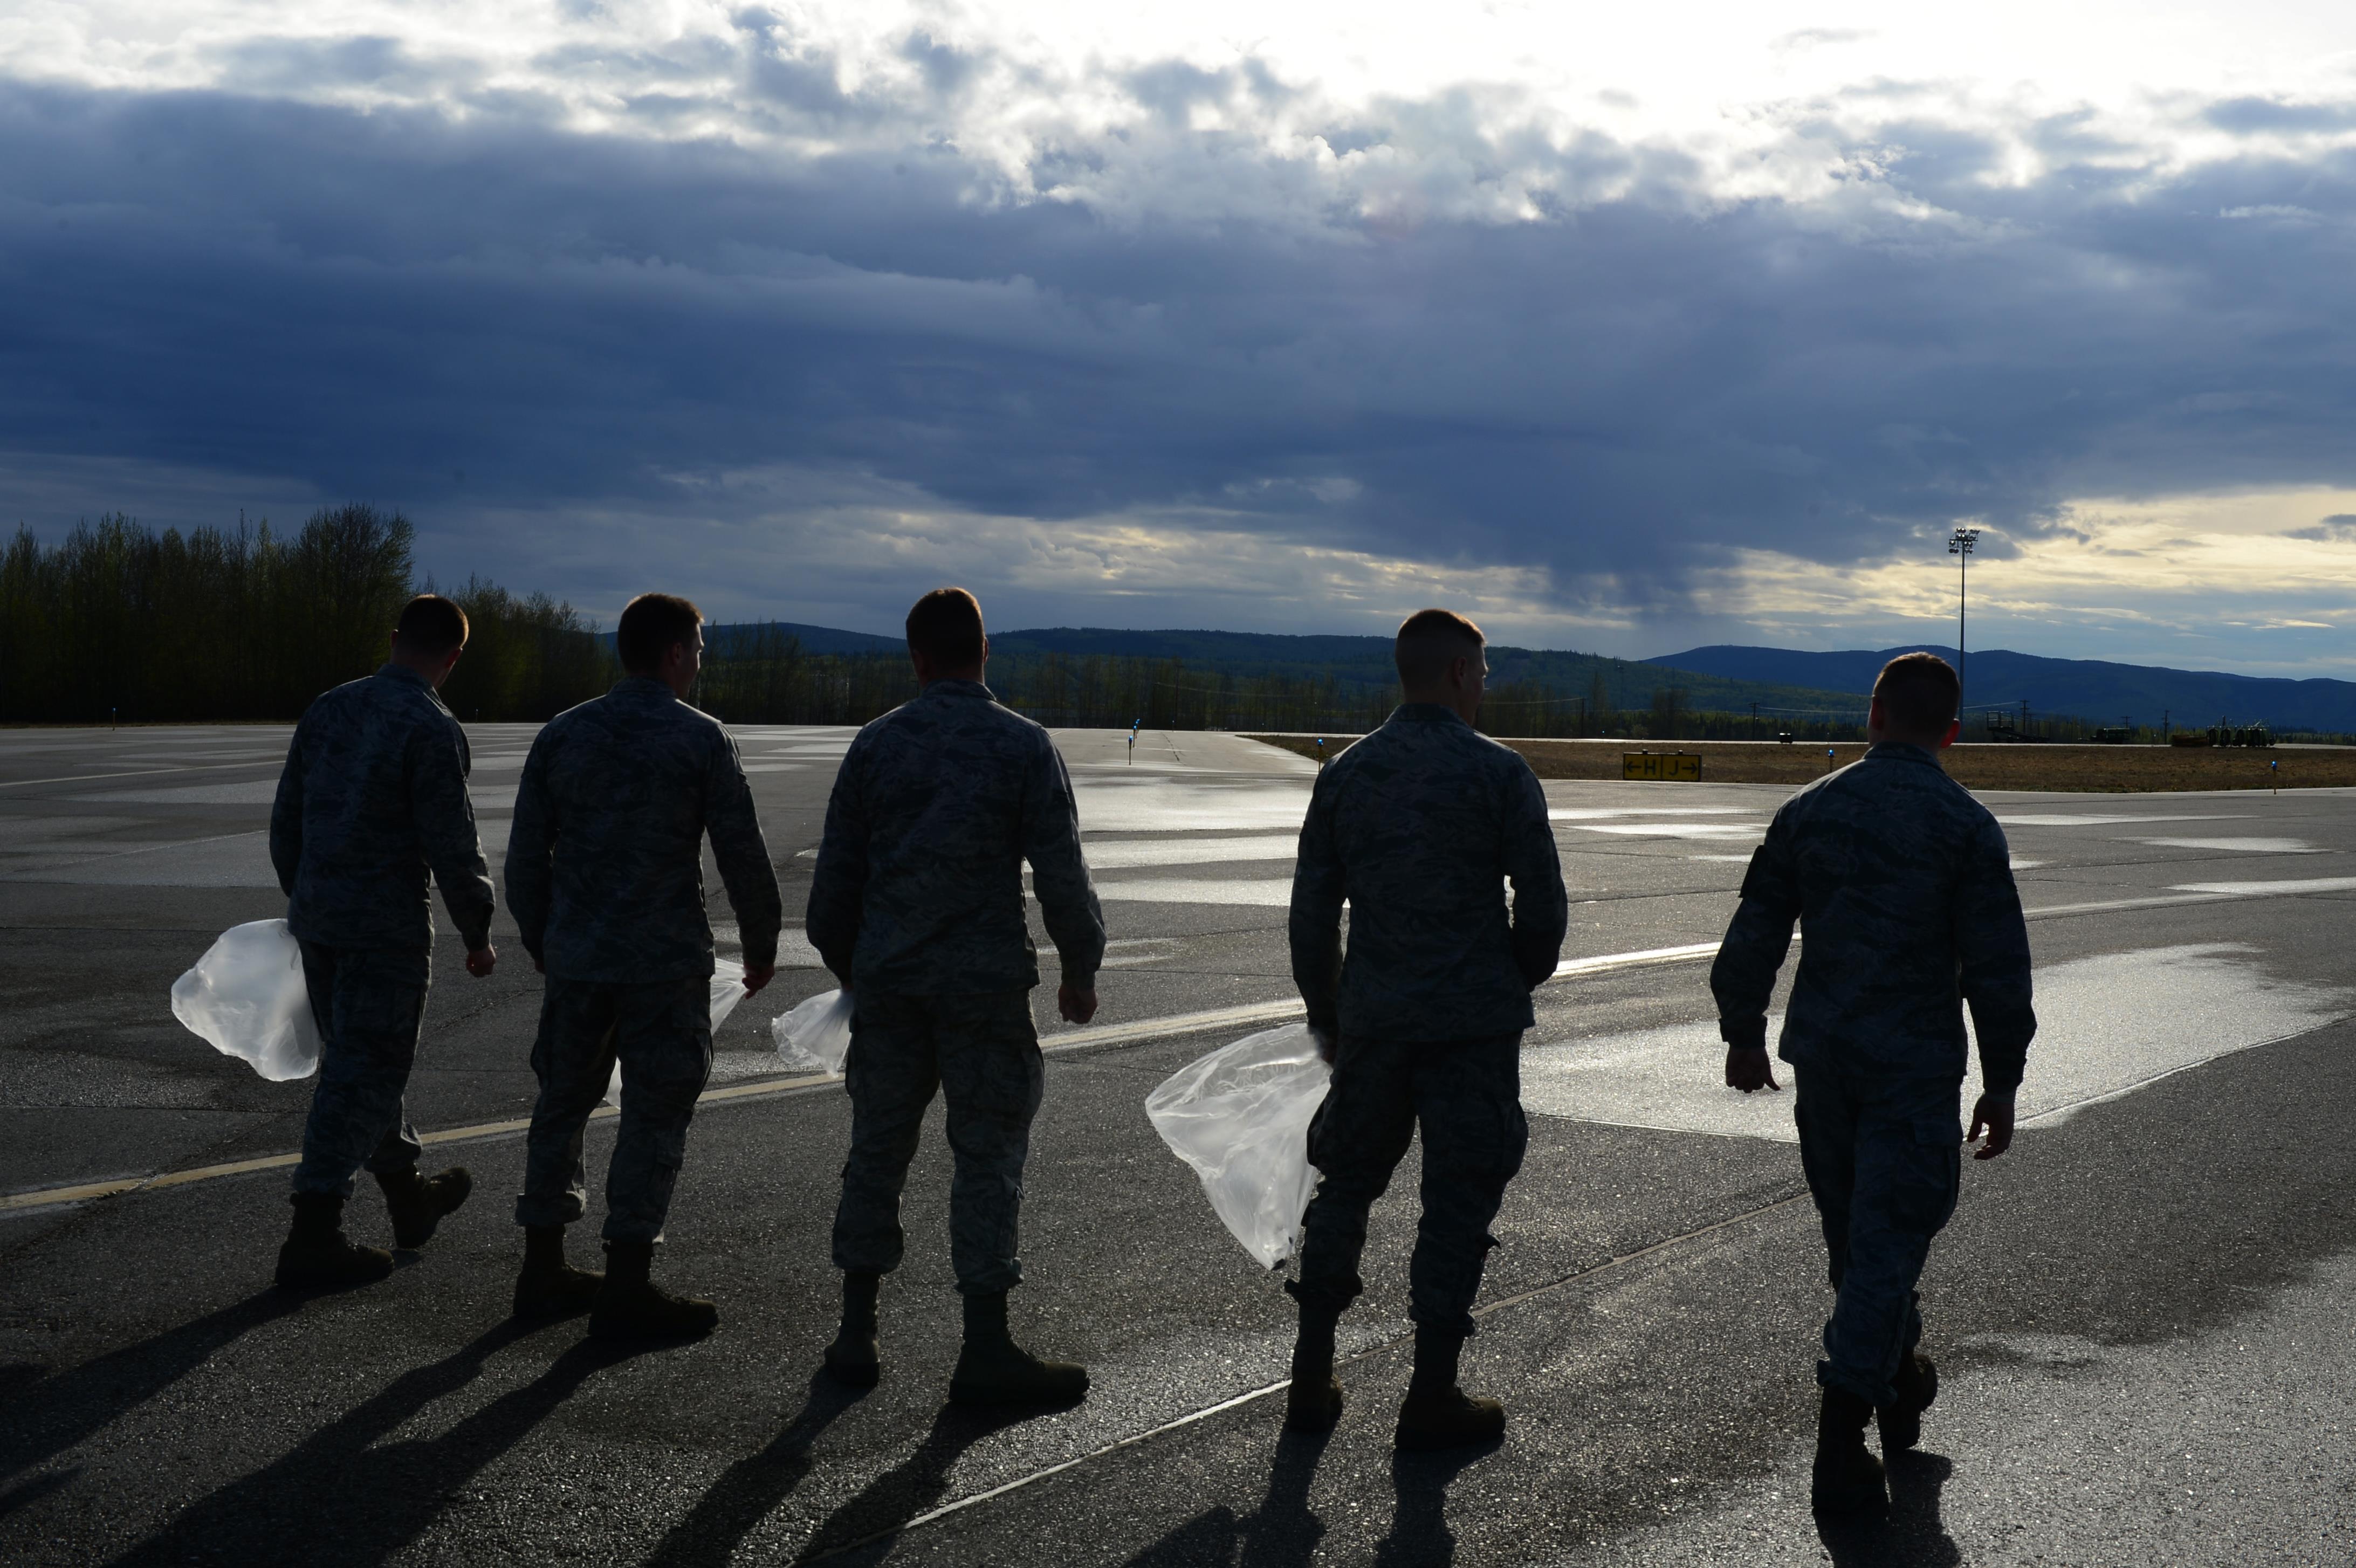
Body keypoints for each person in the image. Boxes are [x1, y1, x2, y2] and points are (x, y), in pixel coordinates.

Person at [1711, 650, 2035, 1516]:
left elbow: (1754, 931)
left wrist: (1742, 1032)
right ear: (1953, 732)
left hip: (1825, 1062)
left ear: (1873, 716)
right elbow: (1997, 972)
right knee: (1886, 1243)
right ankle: (1840, 1431)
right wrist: (2002, 1082)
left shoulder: (1809, 810)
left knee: (1858, 1243)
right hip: (1910, 1069)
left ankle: (1896, 1371)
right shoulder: (1964, 826)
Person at [807, 586, 1105, 1406]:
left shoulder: (875, 746)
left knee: (877, 1151)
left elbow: (831, 892)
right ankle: (983, 1344)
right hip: (982, 991)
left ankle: (856, 1333)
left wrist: (855, 971)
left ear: (917, 658)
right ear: (985, 653)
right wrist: (1080, 967)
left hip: (892, 988)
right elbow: (1060, 872)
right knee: (987, 1159)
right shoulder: (1021, 745)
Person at [1283, 607, 1569, 1450]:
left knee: (1346, 1184)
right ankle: (1430, 1392)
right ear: (1454, 674)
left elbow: (1310, 915)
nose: (1485, 685)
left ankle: (1311, 1369)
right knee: (1458, 1199)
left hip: (1375, 1020)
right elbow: (1543, 909)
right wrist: (1508, 977)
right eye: (1480, 671)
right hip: (1469, 1030)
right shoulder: (1499, 773)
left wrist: (1327, 1011)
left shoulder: (1346, 774)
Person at [505, 593, 782, 1340]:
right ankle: (628, 1279)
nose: (700, 661)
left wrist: (542, 936)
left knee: (560, 1104)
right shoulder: (699, 738)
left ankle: (542, 1265)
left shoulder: (563, 735)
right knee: (653, 1116)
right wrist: (762, 943)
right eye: (696, 648)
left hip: (580, 958)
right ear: (671, 654)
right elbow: (741, 851)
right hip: (662, 964)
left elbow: (527, 856)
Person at [268, 593, 498, 1289]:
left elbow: (287, 822)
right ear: (454, 657)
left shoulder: (329, 707)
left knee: (359, 1062)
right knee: (367, 1070)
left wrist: (306, 896)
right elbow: (452, 842)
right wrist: (477, 928)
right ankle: (315, 1229)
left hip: (321, 921)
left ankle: (408, 1198)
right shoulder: (430, 726)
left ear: (395, 638)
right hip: (385, 931)